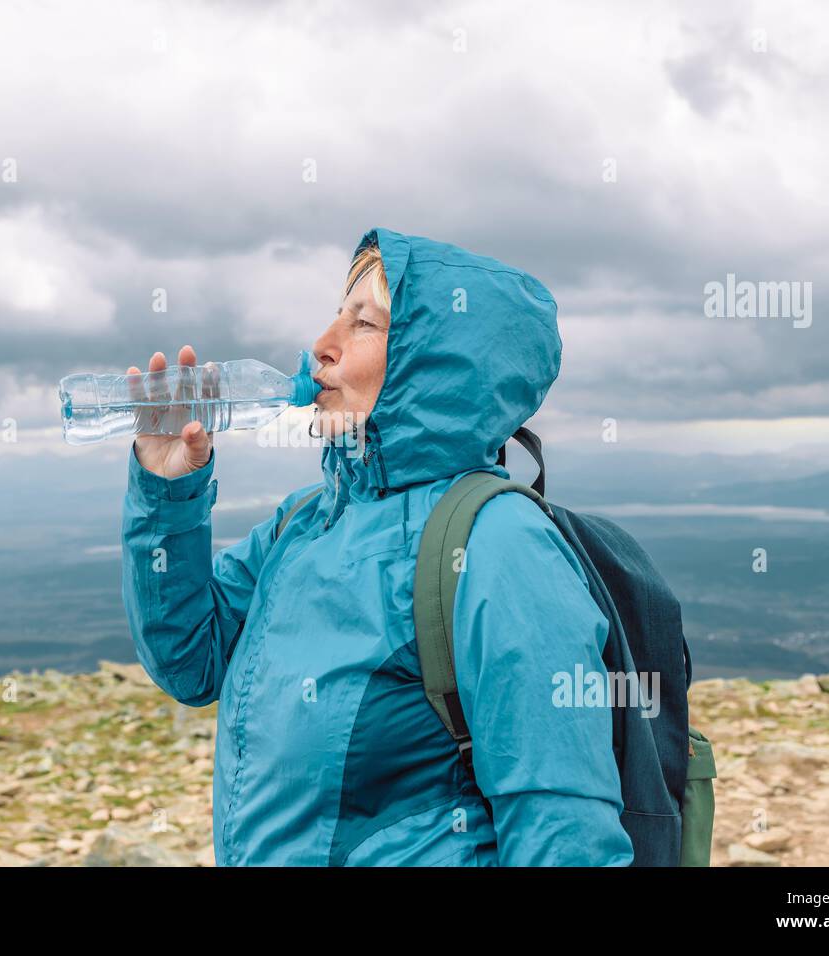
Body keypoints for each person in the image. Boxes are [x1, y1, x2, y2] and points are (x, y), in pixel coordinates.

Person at [121, 226, 634, 866]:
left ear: (438, 361)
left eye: (364, 323)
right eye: (337, 314)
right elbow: (191, 662)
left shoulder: (497, 544)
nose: (322, 346)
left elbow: (564, 831)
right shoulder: (304, 522)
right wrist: (169, 490)